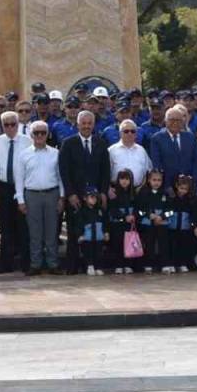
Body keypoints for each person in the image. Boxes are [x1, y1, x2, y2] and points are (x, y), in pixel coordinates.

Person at [58, 110, 111, 274]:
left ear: (94, 124)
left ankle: (95, 264)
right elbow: (64, 171)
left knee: (95, 232)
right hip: (76, 195)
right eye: (84, 123)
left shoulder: (101, 143)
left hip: (95, 197)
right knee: (75, 232)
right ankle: (72, 266)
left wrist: (103, 192)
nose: (87, 126)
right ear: (78, 124)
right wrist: (71, 193)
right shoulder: (68, 143)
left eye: (90, 123)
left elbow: (106, 170)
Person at [0, 111, 32, 274]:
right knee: (5, 227)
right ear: (2, 126)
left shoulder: (28, 141)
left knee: (23, 226)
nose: (10, 127)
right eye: (6, 124)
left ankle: (26, 264)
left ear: (18, 124)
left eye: (13, 124)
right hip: (3, 187)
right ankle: (5, 264)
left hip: (22, 187)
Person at [16, 120, 62, 275]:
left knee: (51, 232)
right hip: (32, 195)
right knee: (35, 233)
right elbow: (19, 179)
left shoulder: (55, 153)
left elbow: (60, 177)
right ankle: (35, 264)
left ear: (48, 134)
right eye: (37, 133)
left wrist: (61, 197)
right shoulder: (24, 154)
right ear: (31, 135)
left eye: (43, 133)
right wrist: (21, 200)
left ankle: (52, 264)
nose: (40, 136)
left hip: (52, 194)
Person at [148, 108, 197, 192]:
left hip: (187, 187)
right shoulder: (156, 139)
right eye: (171, 120)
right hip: (167, 187)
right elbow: (157, 164)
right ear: (165, 120)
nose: (175, 122)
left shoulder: (190, 137)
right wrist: (166, 186)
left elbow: (196, 161)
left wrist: (193, 183)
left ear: (182, 122)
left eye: (178, 120)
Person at [134, 169, 168, 273]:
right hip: (147, 223)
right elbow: (138, 210)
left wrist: (162, 216)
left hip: (162, 223)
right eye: (154, 180)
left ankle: (164, 264)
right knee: (149, 244)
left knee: (163, 244)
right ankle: (148, 264)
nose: (156, 182)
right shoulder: (143, 193)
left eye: (159, 180)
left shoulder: (165, 193)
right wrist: (149, 215)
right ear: (149, 180)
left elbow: (171, 211)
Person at [107, 169, 139, 274]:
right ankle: (119, 265)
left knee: (130, 243)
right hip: (117, 224)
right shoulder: (114, 194)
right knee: (118, 244)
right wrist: (124, 216)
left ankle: (128, 265)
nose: (124, 181)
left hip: (130, 224)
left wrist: (133, 216)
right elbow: (112, 210)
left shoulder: (134, 194)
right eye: (122, 178)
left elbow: (137, 208)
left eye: (127, 179)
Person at [165, 175, 197, 272]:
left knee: (184, 246)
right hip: (172, 227)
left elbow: (192, 214)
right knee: (172, 246)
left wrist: (193, 225)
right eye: (181, 188)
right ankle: (172, 264)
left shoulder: (190, 200)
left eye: (185, 189)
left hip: (184, 228)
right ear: (176, 186)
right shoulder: (171, 199)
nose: (183, 191)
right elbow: (168, 211)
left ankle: (182, 263)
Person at [74, 187, 109, 275]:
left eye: (96, 197)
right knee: (87, 252)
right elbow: (79, 224)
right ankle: (89, 266)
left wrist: (106, 232)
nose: (94, 199)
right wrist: (80, 235)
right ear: (85, 198)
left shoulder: (100, 210)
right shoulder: (81, 211)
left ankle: (98, 267)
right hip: (87, 237)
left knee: (99, 252)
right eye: (91, 197)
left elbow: (105, 222)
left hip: (98, 236)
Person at [107, 119, 151, 186]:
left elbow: (148, 171)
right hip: (117, 191)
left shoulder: (142, 151)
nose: (129, 133)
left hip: (137, 191)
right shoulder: (111, 150)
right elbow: (104, 173)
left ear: (136, 134)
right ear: (120, 133)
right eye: (126, 131)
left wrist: (142, 187)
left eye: (132, 131)